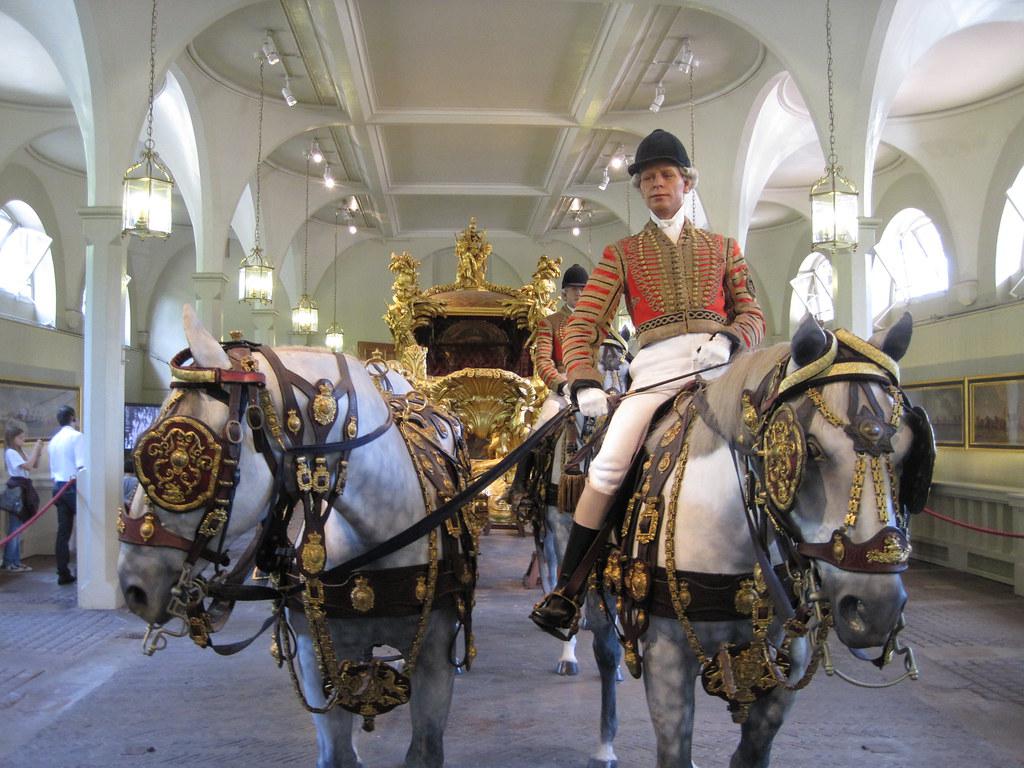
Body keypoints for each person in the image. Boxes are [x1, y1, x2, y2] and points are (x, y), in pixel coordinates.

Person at [531, 128, 766, 635]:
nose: (657, 185)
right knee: (610, 466)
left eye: (666, 176)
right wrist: (586, 381)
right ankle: (568, 591)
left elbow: (752, 313)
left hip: (722, 368)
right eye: (648, 179)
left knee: (780, 443)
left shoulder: (725, 248)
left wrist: (728, 340)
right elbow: (582, 326)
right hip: (657, 373)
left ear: (686, 183)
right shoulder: (621, 254)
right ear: (639, 189)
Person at [504, 264, 589, 509]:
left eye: (584, 289)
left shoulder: (597, 323)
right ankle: (520, 487)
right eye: (575, 290)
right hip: (563, 387)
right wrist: (561, 385)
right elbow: (542, 360)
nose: (580, 294)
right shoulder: (549, 323)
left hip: (593, 385)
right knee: (540, 429)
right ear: (564, 294)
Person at [47, 405, 84, 585]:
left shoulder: (53, 440)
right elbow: (82, 466)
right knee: (86, 530)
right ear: (73, 418)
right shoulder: (76, 437)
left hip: (59, 487)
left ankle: (62, 571)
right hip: (72, 486)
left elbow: (54, 470)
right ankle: (86, 569)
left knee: (63, 532)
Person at [3, 424, 43, 572]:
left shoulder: (20, 451)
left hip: (24, 486)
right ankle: (9, 562)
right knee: (15, 528)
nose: (23, 439)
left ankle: (16, 561)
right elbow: (27, 466)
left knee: (19, 528)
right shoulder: (11, 452)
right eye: (20, 437)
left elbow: (34, 464)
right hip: (17, 488)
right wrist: (35, 450)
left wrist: (38, 451)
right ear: (13, 439)